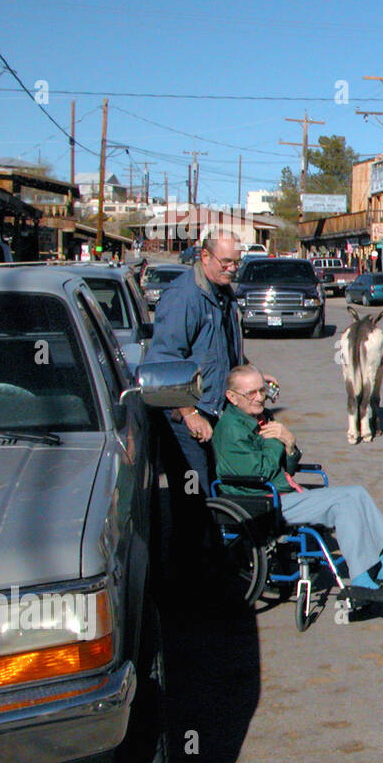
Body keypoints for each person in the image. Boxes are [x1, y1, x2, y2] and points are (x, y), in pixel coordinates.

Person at [213, 364, 383, 603]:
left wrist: (290, 446)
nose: (260, 398)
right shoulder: (231, 429)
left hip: (279, 492)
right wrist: (280, 441)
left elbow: (285, 469)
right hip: (259, 502)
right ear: (232, 397)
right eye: (250, 393)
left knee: (357, 493)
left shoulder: (263, 419)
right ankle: (361, 580)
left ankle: (381, 566)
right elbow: (261, 472)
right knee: (343, 504)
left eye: (262, 391)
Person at [145, 229, 260, 582]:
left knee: (218, 491)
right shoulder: (184, 298)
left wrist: (250, 378)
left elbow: (222, 354)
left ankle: (216, 568)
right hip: (184, 420)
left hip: (215, 412)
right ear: (205, 257)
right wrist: (189, 413)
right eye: (225, 262)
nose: (232, 269)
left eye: (236, 262)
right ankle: (186, 586)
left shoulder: (222, 294)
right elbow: (162, 365)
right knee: (193, 501)